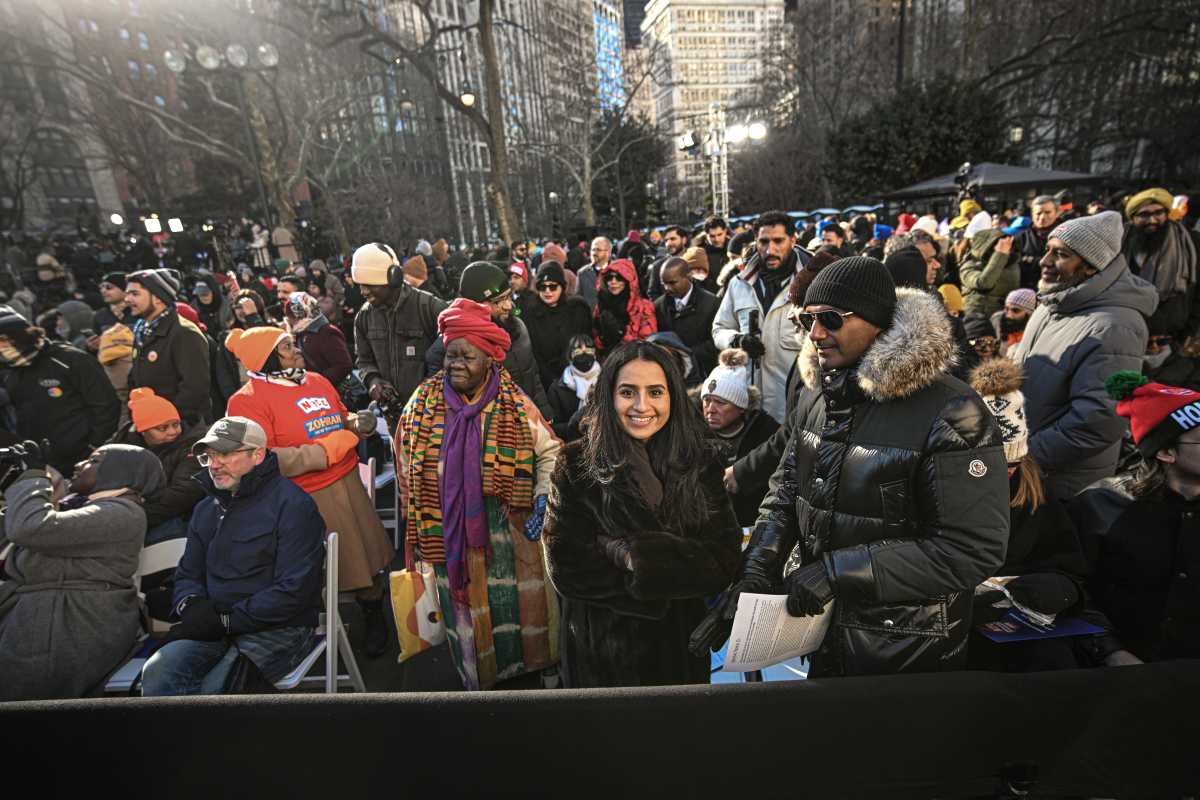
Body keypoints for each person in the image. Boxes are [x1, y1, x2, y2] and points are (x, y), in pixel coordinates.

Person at [692, 258, 1011, 676]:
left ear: (878, 322)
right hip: (823, 636)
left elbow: (972, 548)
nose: (816, 334)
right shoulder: (817, 393)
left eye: (830, 319)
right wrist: (753, 578)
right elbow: (786, 493)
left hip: (908, 651)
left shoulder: (952, 410)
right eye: (807, 320)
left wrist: (838, 572)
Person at [542, 340, 740, 687]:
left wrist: (631, 555)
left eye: (655, 392)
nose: (642, 406)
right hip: (600, 658)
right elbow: (567, 567)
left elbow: (722, 560)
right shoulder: (575, 464)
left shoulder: (700, 462)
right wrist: (676, 569)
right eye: (628, 392)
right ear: (609, 396)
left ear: (673, 396)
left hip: (678, 653)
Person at [397, 299, 562, 690]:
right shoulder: (421, 405)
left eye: (466, 356)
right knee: (467, 622)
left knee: (522, 619)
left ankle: (539, 679)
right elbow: (405, 461)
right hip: (449, 538)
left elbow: (551, 452)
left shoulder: (515, 404)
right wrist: (421, 511)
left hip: (511, 536)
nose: (455, 364)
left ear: (489, 358)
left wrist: (542, 497)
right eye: (450, 355)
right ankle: (479, 687)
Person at [224, 327, 393, 656]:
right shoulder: (246, 401)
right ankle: (309, 633)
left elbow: (337, 414)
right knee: (325, 573)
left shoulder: (316, 381)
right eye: (287, 346)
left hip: (347, 485)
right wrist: (321, 453)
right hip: (306, 496)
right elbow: (257, 459)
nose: (297, 349)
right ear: (268, 358)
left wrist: (354, 423)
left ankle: (374, 617)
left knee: (366, 564)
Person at [141, 416, 324, 695]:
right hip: (216, 625)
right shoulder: (206, 509)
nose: (214, 465)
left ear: (258, 454)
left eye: (225, 454)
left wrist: (226, 620)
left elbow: (294, 592)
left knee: (219, 688)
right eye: (209, 455)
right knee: (158, 672)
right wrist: (191, 606)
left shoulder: (294, 506)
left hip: (280, 629)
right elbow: (188, 573)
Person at [1009, 211, 1159, 498]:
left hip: (1059, 481)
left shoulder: (1115, 324)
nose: (1045, 262)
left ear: (1091, 266)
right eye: (1047, 251)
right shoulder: (1052, 303)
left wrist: (1025, 457)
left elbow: (1099, 419)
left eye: (1061, 254)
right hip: (1025, 468)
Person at [0, 444, 165, 700]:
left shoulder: (124, 514)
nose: (79, 465)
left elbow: (31, 528)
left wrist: (33, 479)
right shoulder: (79, 507)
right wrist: (13, 484)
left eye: (94, 460)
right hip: (41, 619)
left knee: (28, 713)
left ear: (119, 472)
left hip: (67, 626)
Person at [964, 358, 1094, 673]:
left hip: (1024, 636)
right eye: (990, 467)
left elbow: (1071, 572)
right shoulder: (942, 491)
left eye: (1011, 466)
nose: (1002, 476)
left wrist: (1055, 588)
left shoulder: (1035, 495)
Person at [1069, 371, 1200, 664]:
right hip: (1122, 676)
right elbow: (1072, 590)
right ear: (1166, 452)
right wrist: (1110, 651)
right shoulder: (1101, 505)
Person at [712, 210, 813, 424]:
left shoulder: (813, 283)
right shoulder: (739, 283)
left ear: (793, 240)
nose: (770, 249)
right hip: (749, 406)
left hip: (795, 407)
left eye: (778, 241)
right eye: (764, 241)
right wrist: (737, 340)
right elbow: (719, 329)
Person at [0, 305, 119, 475]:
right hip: (42, 464)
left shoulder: (70, 359)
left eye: (2, 340)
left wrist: (93, 446)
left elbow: (106, 405)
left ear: (17, 335)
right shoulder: (9, 371)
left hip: (84, 460)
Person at [425, 262, 552, 417]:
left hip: (530, 423)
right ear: (477, 305)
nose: (508, 306)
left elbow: (532, 375)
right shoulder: (451, 345)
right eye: (500, 300)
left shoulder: (518, 327)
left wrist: (545, 415)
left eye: (509, 297)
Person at [351, 242, 446, 425]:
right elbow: (363, 361)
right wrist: (373, 381)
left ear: (394, 278)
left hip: (436, 418)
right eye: (361, 285)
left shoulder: (428, 307)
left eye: (370, 285)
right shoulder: (363, 318)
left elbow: (455, 353)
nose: (363, 292)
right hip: (395, 420)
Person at [110, 387, 205, 545]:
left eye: (176, 424)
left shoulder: (193, 448)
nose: (172, 431)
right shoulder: (123, 443)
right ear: (143, 431)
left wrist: (135, 516)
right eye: (162, 428)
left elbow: (183, 494)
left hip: (176, 517)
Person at [701, 348, 779, 527]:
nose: (710, 409)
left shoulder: (767, 435)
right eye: (706, 400)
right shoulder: (692, 432)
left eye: (720, 402)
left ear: (741, 407)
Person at [126, 268, 212, 426]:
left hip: (178, 429)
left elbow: (195, 389)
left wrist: (166, 422)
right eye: (128, 294)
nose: (127, 299)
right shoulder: (142, 331)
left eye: (135, 294)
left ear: (158, 298)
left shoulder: (184, 333)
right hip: (152, 425)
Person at [1121, 187, 1200, 348]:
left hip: (1174, 337)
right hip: (1128, 333)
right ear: (1132, 218)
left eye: (1158, 213)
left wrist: (1190, 330)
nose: (1152, 220)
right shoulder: (1120, 242)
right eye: (1144, 215)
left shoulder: (1191, 241)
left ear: (1166, 214)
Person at [522, 259, 593, 391]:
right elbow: (533, 353)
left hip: (578, 378)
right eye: (542, 287)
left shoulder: (577, 309)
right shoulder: (530, 313)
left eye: (553, 286)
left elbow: (586, 342)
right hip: (546, 382)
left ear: (562, 287)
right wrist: (551, 380)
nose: (547, 291)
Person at [653, 256, 720, 376]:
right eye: (664, 284)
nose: (667, 288)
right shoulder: (659, 306)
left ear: (688, 276)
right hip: (671, 373)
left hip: (703, 373)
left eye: (673, 283)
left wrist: (687, 354)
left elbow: (716, 342)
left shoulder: (711, 303)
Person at [283, 291, 352, 388]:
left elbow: (343, 365)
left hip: (330, 390)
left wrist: (316, 382)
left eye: (290, 316)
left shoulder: (327, 332)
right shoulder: (301, 332)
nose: (289, 320)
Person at [960, 212, 1018, 320]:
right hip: (979, 318)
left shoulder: (1010, 261)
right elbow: (983, 282)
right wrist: (1000, 255)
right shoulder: (969, 265)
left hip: (1005, 317)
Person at [594, 258, 657, 358]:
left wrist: (621, 334)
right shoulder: (601, 306)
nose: (613, 282)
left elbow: (648, 343)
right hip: (607, 362)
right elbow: (595, 340)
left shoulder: (644, 307)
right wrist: (603, 339)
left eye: (619, 278)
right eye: (609, 278)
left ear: (629, 280)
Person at [547, 334, 600, 440]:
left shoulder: (606, 380)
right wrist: (578, 426)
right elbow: (554, 427)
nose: (584, 352)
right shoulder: (557, 388)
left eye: (588, 349)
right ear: (570, 356)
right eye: (578, 350)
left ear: (595, 354)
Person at [1014, 195, 1061, 289]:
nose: (1042, 217)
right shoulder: (1021, 237)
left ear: (1057, 213)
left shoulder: (1066, 236)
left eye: (1048, 212)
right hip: (1028, 290)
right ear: (1032, 215)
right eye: (1038, 213)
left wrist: (1031, 260)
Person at [645, 224, 689, 300]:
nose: (669, 244)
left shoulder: (695, 261)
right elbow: (653, 294)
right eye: (666, 240)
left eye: (673, 239)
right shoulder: (658, 266)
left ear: (684, 240)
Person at [990, 288, 1036, 356]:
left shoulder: (1035, 331)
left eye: (1015, 310)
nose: (1009, 315)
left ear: (1029, 314)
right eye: (1006, 309)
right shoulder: (997, 320)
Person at [577, 236, 612, 309]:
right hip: (590, 318)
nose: (594, 253)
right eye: (593, 250)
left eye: (598, 250)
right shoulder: (582, 273)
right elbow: (578, 300)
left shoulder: (617, 271)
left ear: (608, 252)